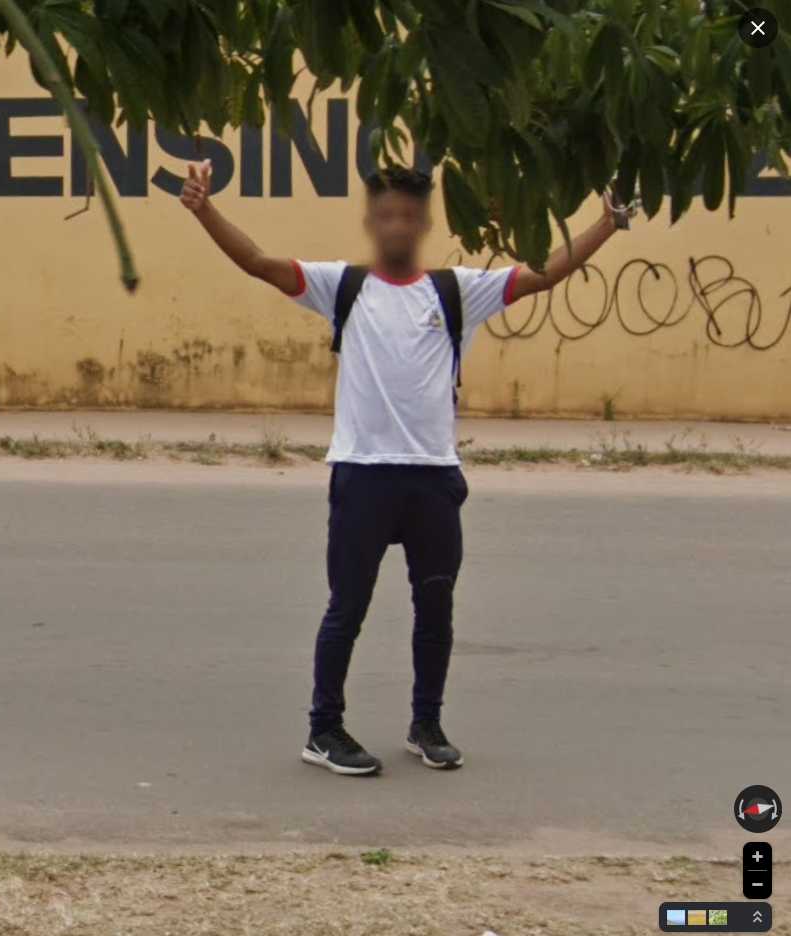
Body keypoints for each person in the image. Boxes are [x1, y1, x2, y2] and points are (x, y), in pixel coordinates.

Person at [180, 162, 622, 776]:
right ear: (372, 221)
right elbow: (257, 262)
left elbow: (542, 274)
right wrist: (204, 209)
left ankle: (426, 724)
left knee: (435, 608)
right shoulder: (341, 286)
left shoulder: (456, 291)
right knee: (347, 608)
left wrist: (607, 222)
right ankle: (323, 730)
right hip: (362, 475)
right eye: (386, 215)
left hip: (432, 477)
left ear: (423, 224)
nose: (396, 225)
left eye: (408, 216)